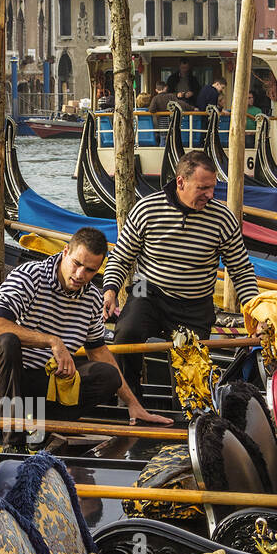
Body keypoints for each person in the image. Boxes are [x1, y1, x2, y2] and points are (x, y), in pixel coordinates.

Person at [0, 227, 173, 450]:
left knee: (107, 375)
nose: (81, 275)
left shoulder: (91, 298)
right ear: (65, 252)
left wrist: (134, 404)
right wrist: (53, 341)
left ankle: (44, 426)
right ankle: (14, 442)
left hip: (42, 383)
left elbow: (99, 352)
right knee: (7, 341)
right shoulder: (29, 276)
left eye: (90, 270)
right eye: (77, 264)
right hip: (1, 380)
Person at [102, 149, 259, 401]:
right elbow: (121, 257)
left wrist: (255, 312)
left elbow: (240, 269)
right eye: (202, 188)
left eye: (212, 188)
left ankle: (187, 413)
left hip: (194, 301)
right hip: (147, 289)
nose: (209, 195)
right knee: (126, 334)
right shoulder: (146, 209)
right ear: (180, 182)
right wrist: (110, 289)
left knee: (192, 380)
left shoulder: (222, 218)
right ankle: (130, 401)